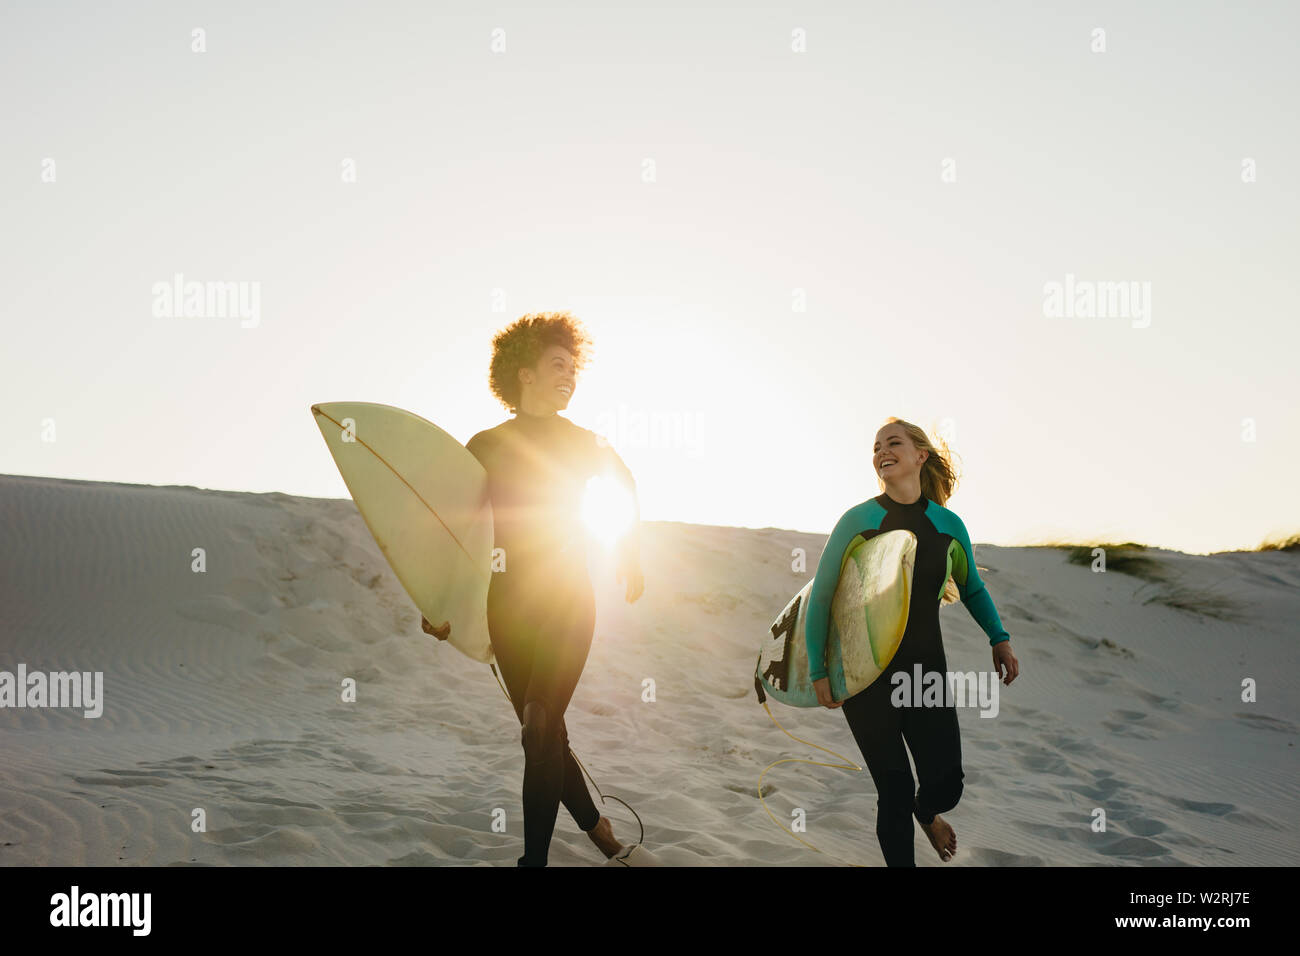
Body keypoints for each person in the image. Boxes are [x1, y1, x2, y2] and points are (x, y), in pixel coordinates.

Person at [436, 311, 644, 867]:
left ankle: (534, 862)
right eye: (558, 365)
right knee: (543, 736)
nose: (569, 377)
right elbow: (455, 531)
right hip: (506, 606)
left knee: (539, 720)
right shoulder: (483, 445)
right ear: (522, 372)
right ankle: (600, 833)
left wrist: (628, 550)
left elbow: (623, 482)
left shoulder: (583, 441)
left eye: (574, 369)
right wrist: (441, 604)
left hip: (565, 599)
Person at [803, 418, 1019, 866]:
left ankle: (928, 813)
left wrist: (999, 639)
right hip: (865, 677)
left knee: (947, 784)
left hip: (924, 673)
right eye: (876, 446)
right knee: (895, 789)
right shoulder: (859, 520)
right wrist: (818, 669)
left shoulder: (947, 525)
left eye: (893, 443)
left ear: (920, 456)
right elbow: (822, 594)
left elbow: (973, 587)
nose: (882, 450)